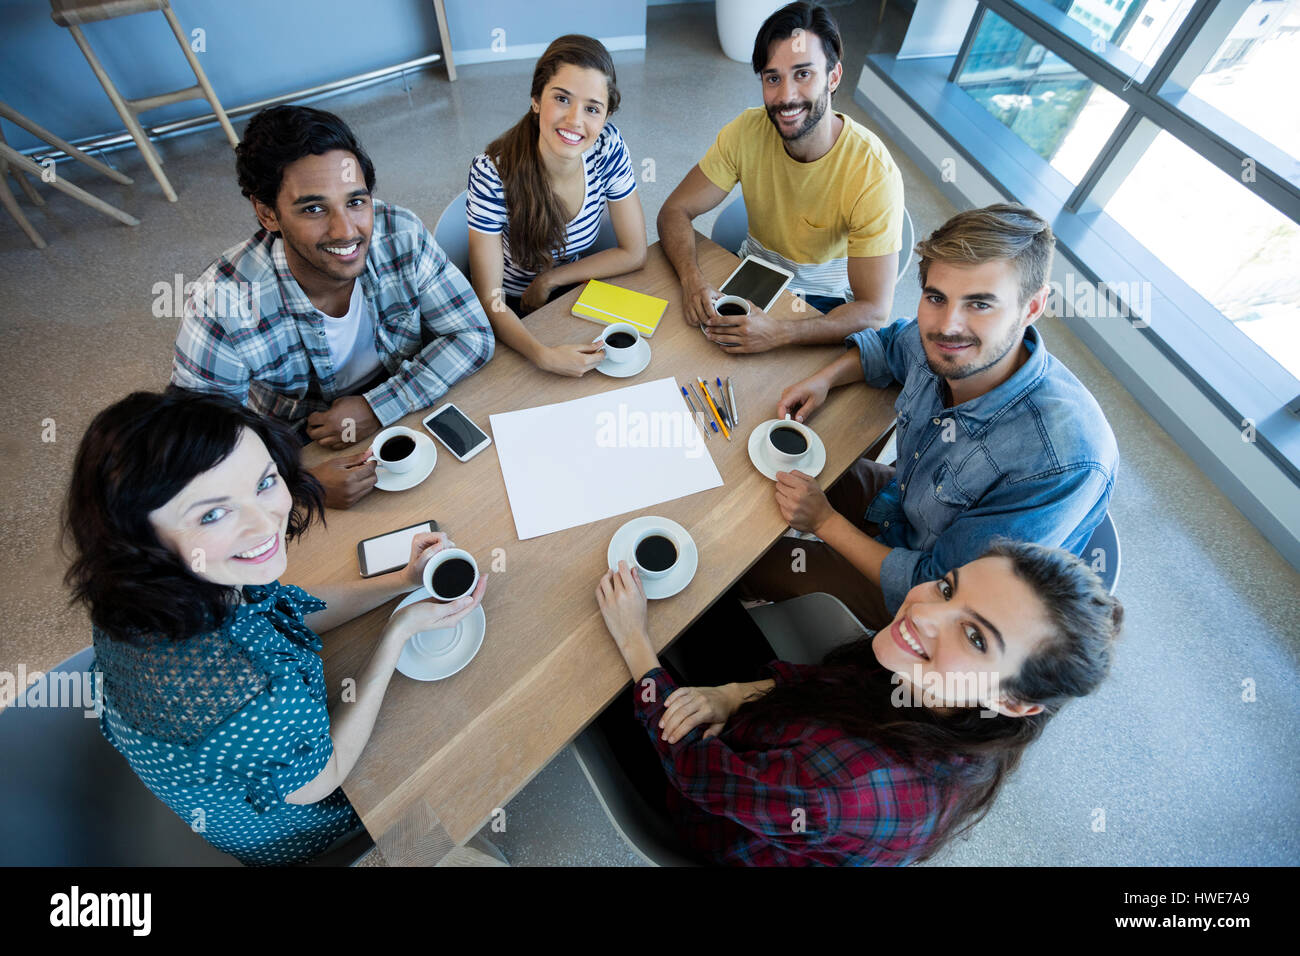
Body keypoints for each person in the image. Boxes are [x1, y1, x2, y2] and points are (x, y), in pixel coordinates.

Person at [62, 389, 489, 866]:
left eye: (265, 482)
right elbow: (322, 779)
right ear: (138, 541)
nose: (265, 523)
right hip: (303, 836)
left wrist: (401, 582)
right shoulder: (242, 695)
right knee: (467, 807)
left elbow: (283, 608)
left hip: (229, 775)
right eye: (212, 513)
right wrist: (397, 634)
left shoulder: (148, 590)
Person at [596, 540, 1123, 866]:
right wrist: (734, 694)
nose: (922, 612)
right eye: (946, 588)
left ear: (1015, 701)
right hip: (767, 729)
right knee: (700, 594)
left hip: (705, 812)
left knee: (590, 676)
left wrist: (636, 645)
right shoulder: (941, 699)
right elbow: (825, 685)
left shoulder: (848, 792)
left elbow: (697, 773)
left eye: (977, 638)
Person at [741, 203, 1119, 630]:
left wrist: (825, 522)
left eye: (980, 304)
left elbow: (944, 588)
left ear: (1032, 308)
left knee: (745, 565)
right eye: (936, 297)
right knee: (777, 470)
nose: (947, 327)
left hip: (932, 608)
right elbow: (888, 346)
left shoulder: (1061, 459)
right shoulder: (940, 341)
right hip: (906, 504)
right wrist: (824, 380)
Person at [171, 105, 494, 509]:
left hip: (402, 404)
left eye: (356, 202)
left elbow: (474, 335)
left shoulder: (401, 234)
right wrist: (298, 484)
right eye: (313, 208)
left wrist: (377, 407)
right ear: (267, 213)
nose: (346, 230)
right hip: (300, 451)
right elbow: (197, 454)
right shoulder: (220, 305)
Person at [657, 1, 904, 353]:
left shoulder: (873, 171)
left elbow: (874, 312)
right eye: (773, 78)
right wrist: (691, 279)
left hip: (826, 304)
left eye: (803, 74)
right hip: (753, 275)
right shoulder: (746, 131)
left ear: (833, 77)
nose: (786, 96)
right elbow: (674, 211)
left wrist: (780, 333)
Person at [467, 35, 647, 377]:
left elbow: (635, 252)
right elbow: (489, 298)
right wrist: (543, 356)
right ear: (536, 100)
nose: (575, 120)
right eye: (562, 99)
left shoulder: (608, 146)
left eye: (592, 108)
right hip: (513, 313)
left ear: (606, 115)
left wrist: (549, 280)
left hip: (571, 293)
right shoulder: (492, 172)